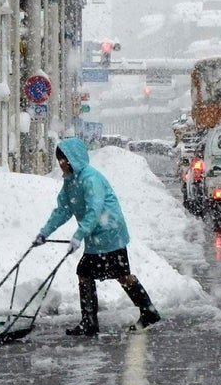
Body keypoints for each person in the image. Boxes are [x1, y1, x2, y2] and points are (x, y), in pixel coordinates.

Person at [32, 137, 161, 336]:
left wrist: (78, 235)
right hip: (95, 234)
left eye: (63, 159)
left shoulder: (90, 178)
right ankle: (143, 312)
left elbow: (95, 210)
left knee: (100, 273)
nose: (61, 163)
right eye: (59, 160)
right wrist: (44, 232)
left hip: (109, 232)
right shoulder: (70, 181)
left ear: (73, 158)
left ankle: (93, 321)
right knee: (108, 274)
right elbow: (63, 210)